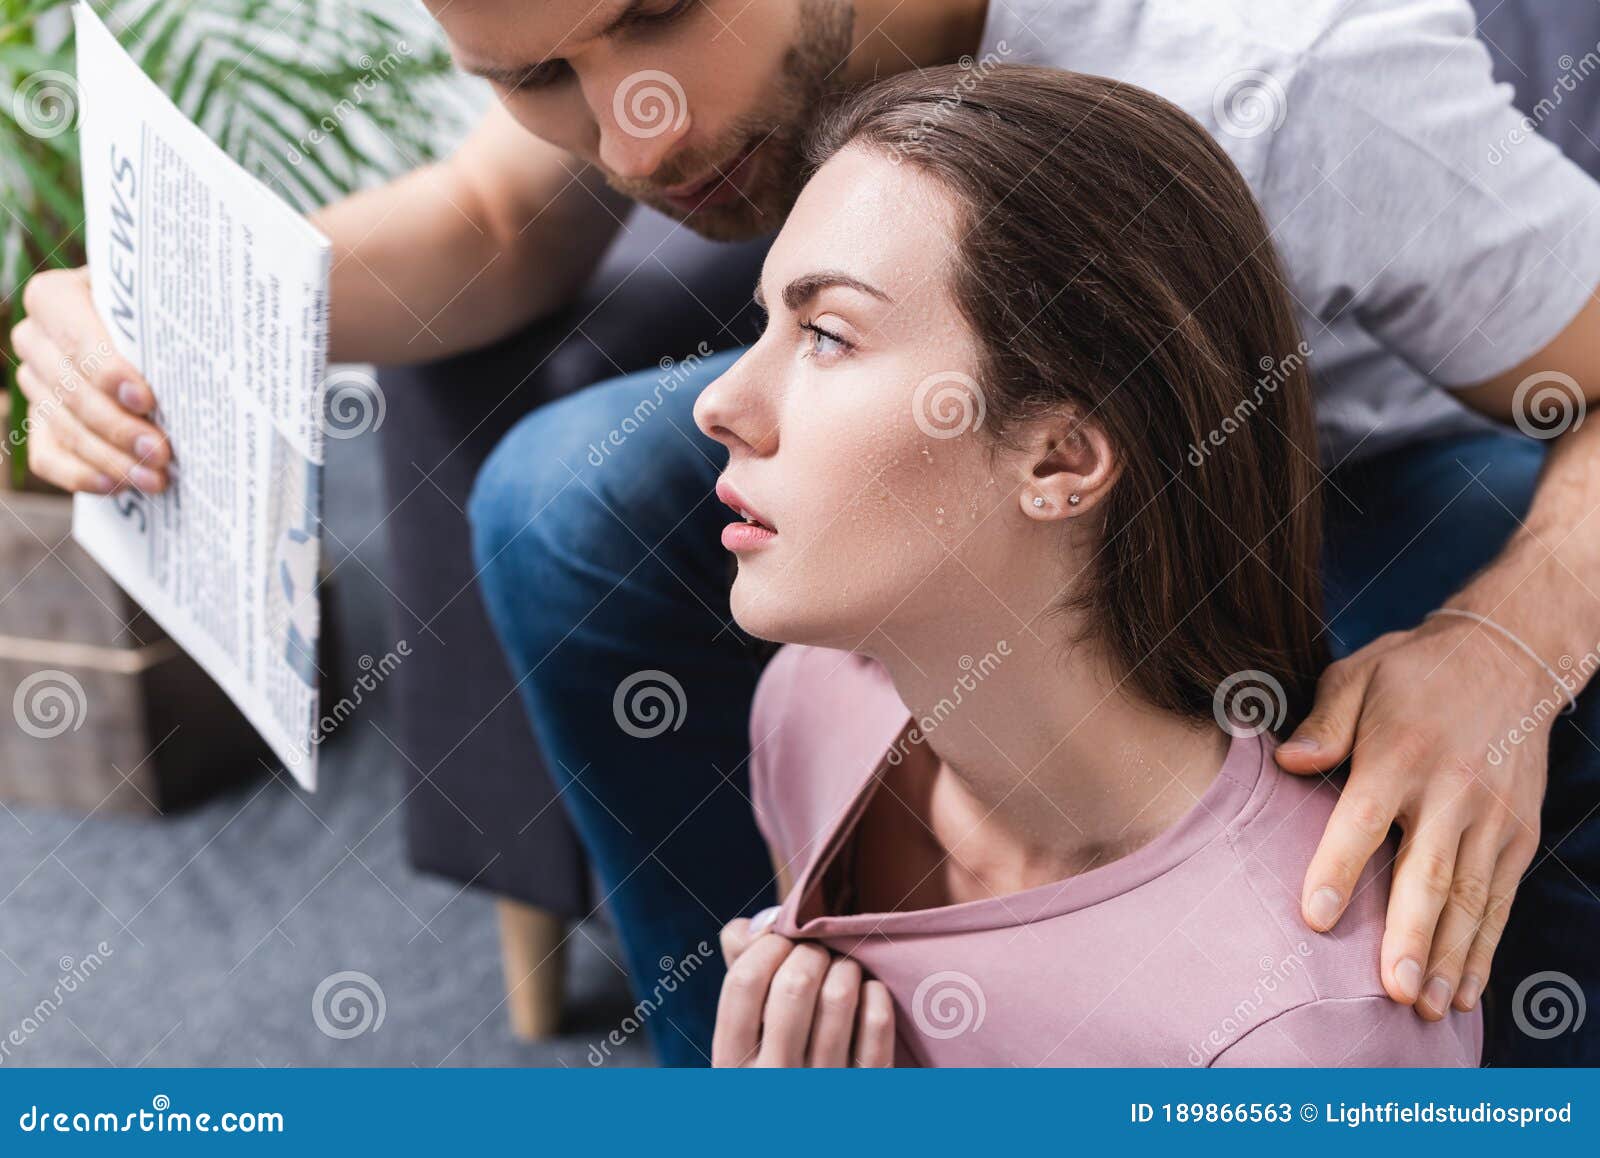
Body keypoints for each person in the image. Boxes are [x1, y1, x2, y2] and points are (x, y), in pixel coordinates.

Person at [13, 0, 1600, 1065]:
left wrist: (1514, 640)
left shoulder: (1291, 72)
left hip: (1385, 475)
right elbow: (501, 227)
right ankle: (762, 1049)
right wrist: (174, 321)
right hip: (1001, 413)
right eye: (536, 77)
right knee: (566, 506)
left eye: (652, 16)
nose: (629, 144)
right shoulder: (607, 61)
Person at [699, 64, 1482, 1068]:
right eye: (763, 323)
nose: (716, 402)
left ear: (1060, 458)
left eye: (826, 334)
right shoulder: (809, 709)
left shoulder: (1305, 1033)